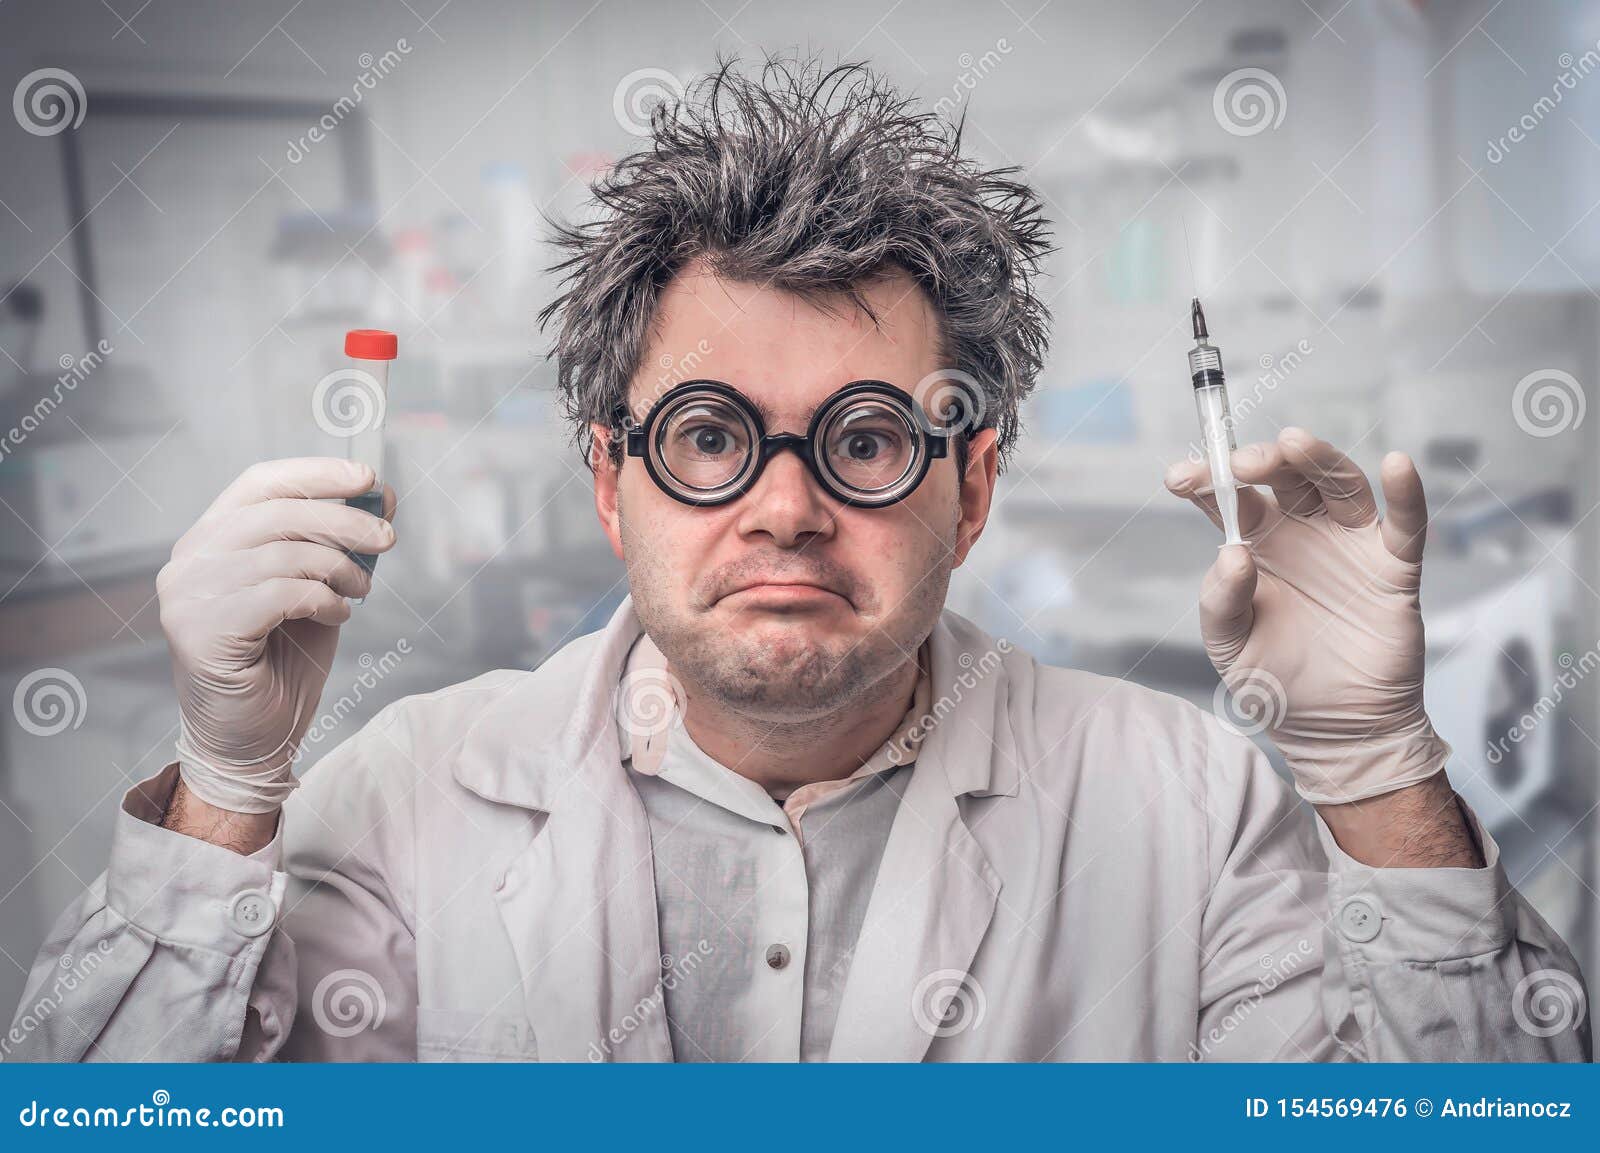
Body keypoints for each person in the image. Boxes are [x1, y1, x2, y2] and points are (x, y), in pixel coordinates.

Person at [7, 55, 1589, 1063]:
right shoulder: (405, 796)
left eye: (866, 437)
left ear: (972, 487)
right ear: (611, 483)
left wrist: (1377, 770)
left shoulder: (1189, 806)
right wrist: (224, 787)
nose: (782, 507)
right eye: (708, 434)